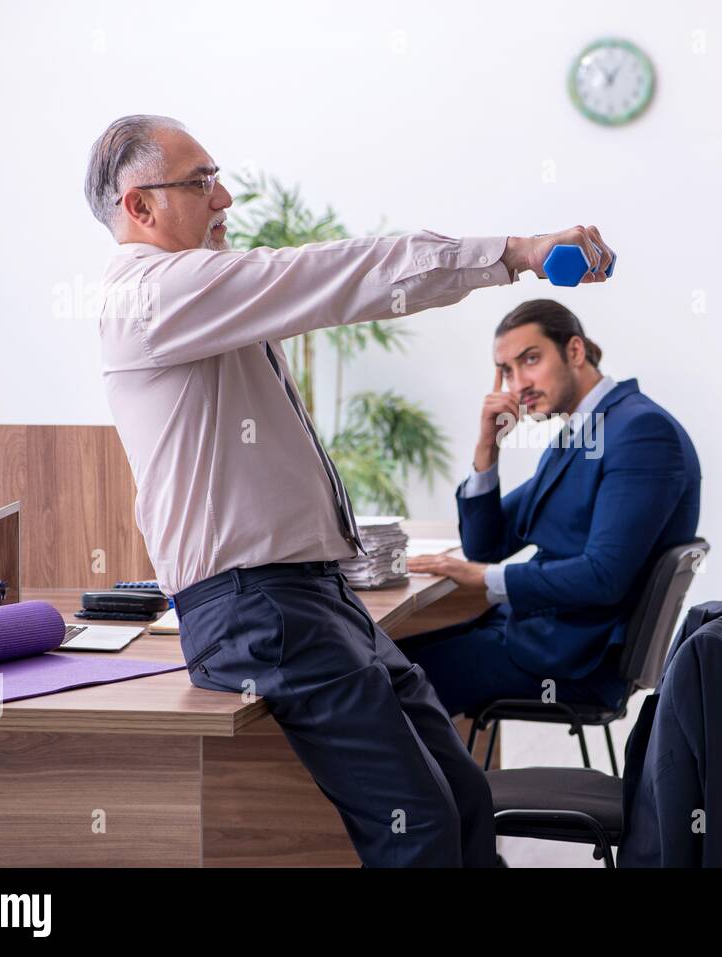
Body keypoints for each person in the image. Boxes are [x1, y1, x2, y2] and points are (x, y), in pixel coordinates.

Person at [85, 114, 614, 867]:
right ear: (139, 206)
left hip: (309, 595)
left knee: (461, 795)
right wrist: (516, 253)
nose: (224, 197)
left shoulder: (201, 302)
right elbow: (336, 272)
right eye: (201, 182)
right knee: (418, 825)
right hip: (254, 604)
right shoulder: (148, 296)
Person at [403, 299, 700, 718]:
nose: (518, 383)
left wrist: (482, 578)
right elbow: (486, 544)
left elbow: (603, 577)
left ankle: (430, 784)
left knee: (387, 678)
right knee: (385, 657)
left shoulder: (638, 432)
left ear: (574, 351)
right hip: (538, 633)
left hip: (573, 659)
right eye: (507, 370)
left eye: (531, 360)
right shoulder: (580, 433)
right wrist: (487, 448)